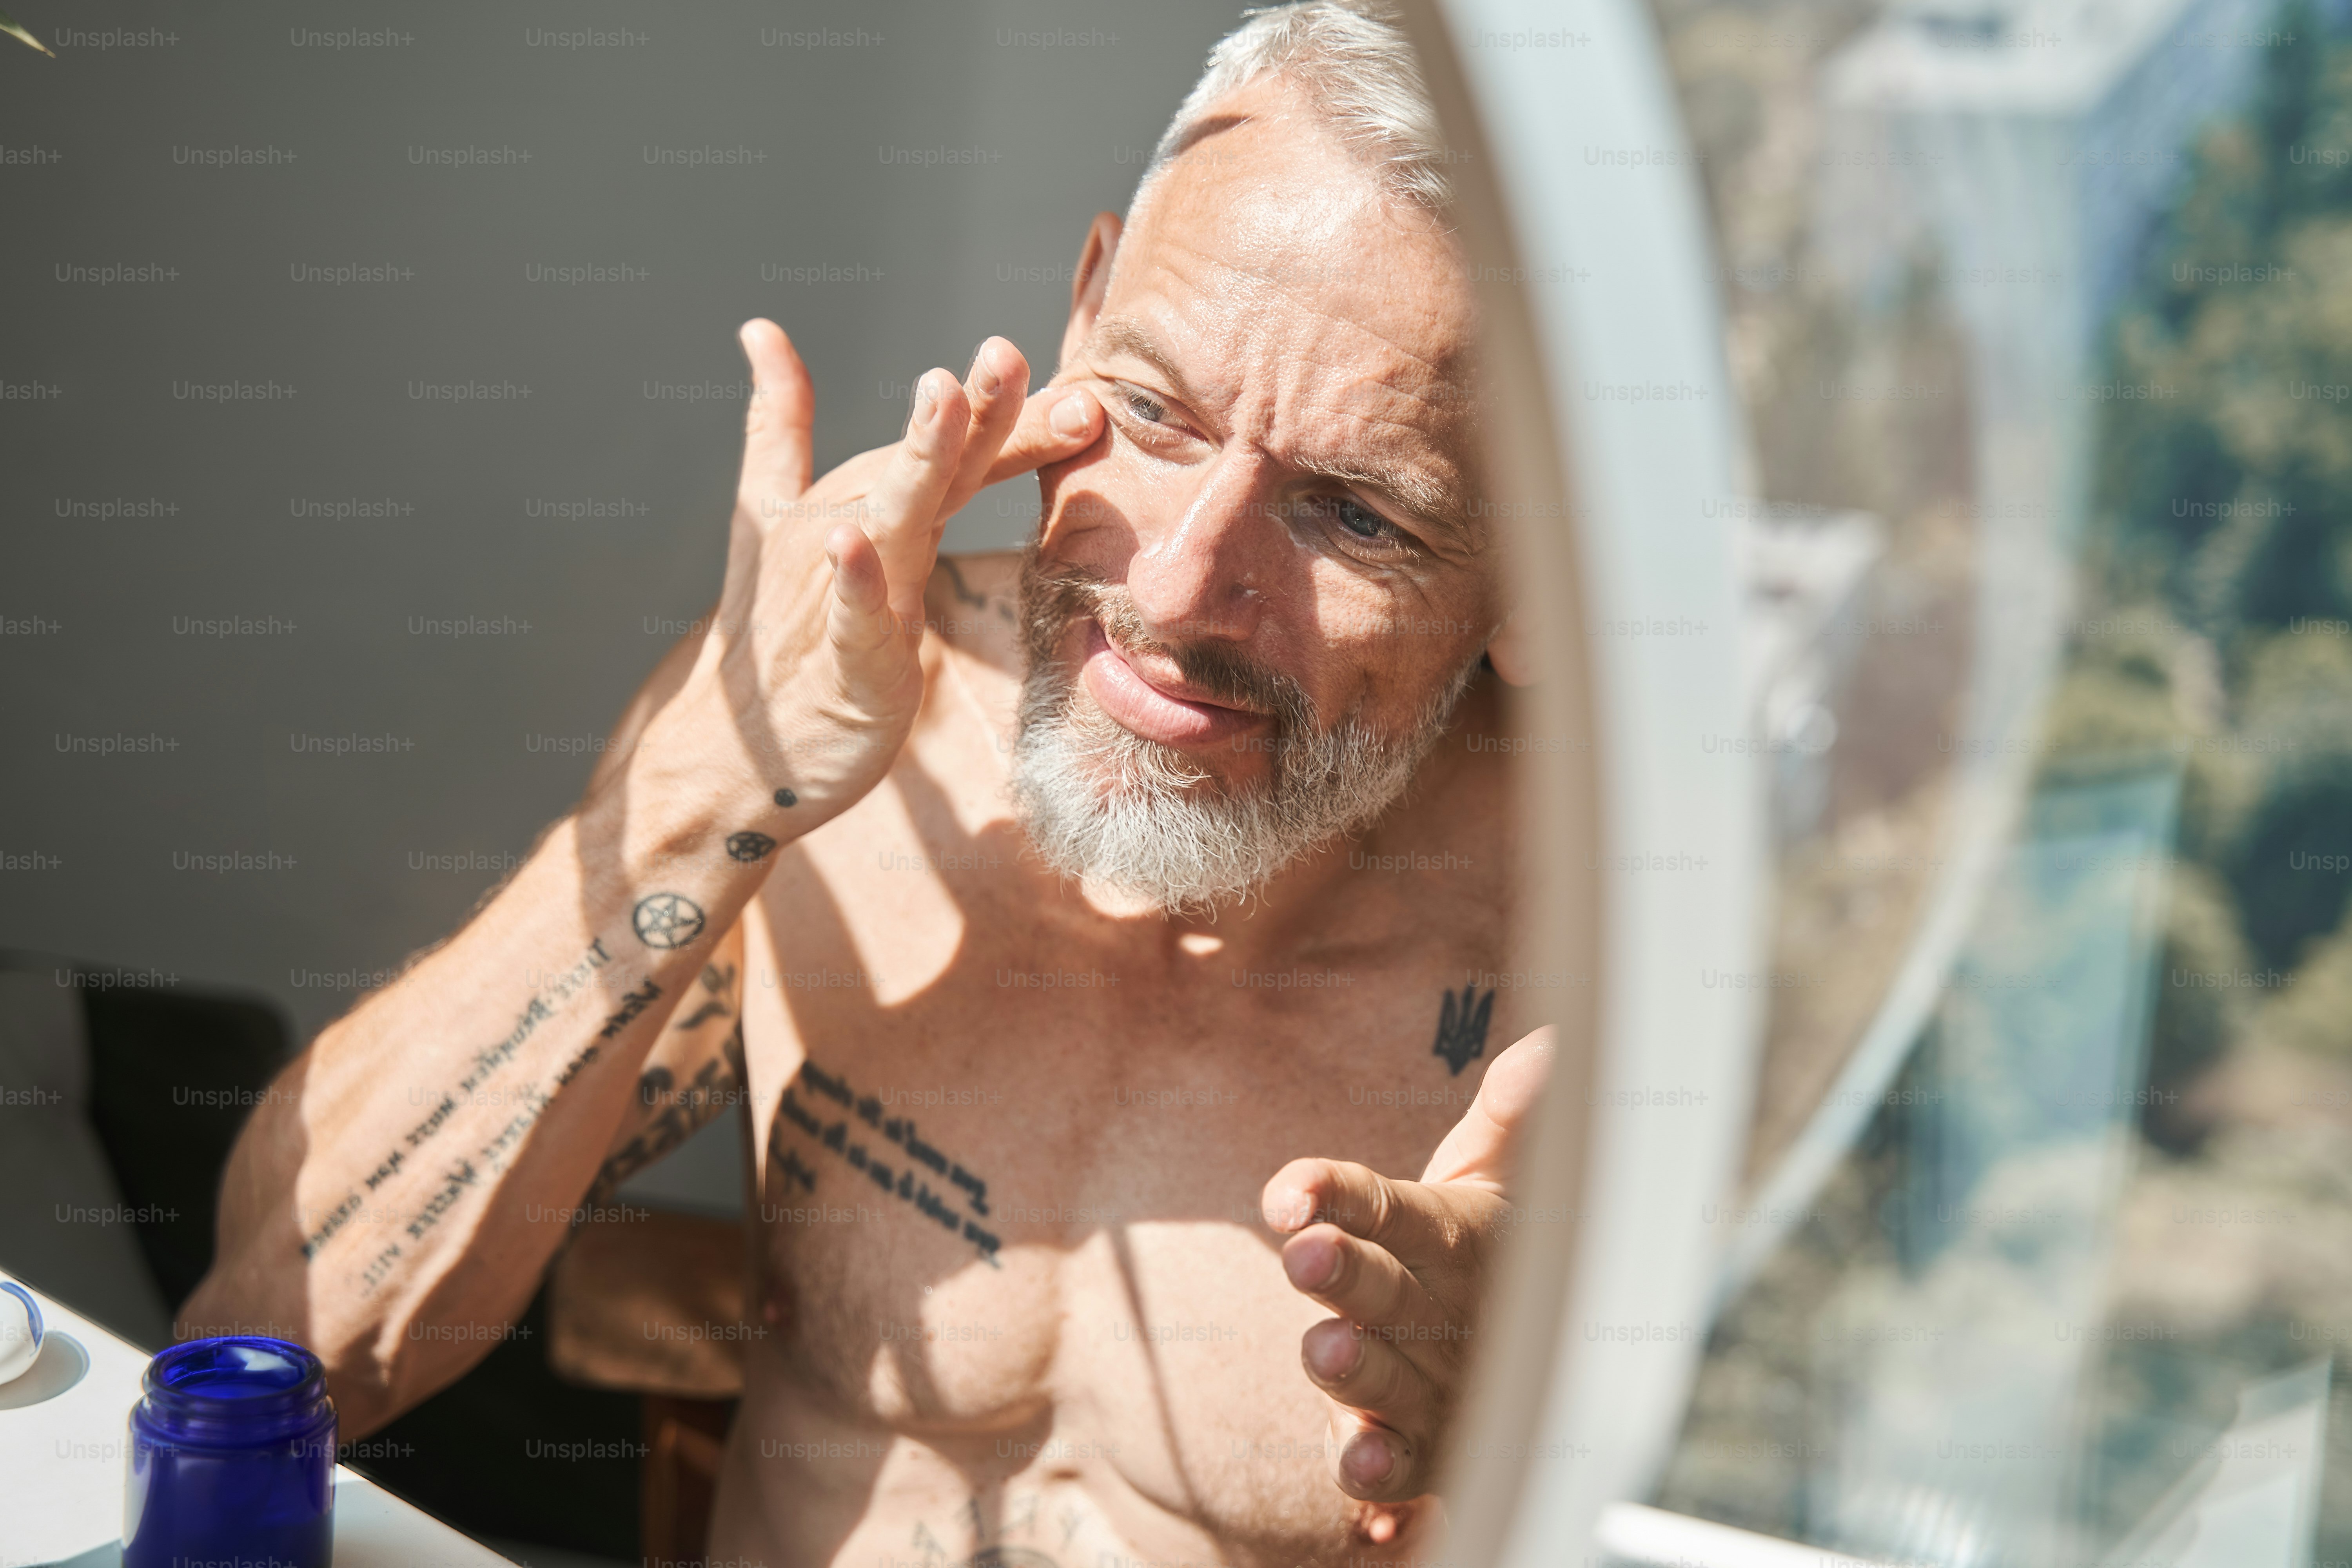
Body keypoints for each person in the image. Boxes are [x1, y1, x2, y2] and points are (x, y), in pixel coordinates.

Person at [184, 3, 1559, 1562]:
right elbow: (267, 1344)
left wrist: (1541, 1439)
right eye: (1158, 410)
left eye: (1357, 519)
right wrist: (713, 782)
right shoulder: (846, 701)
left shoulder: (1592, 955)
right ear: (1088, 293)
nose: (1179, 593)